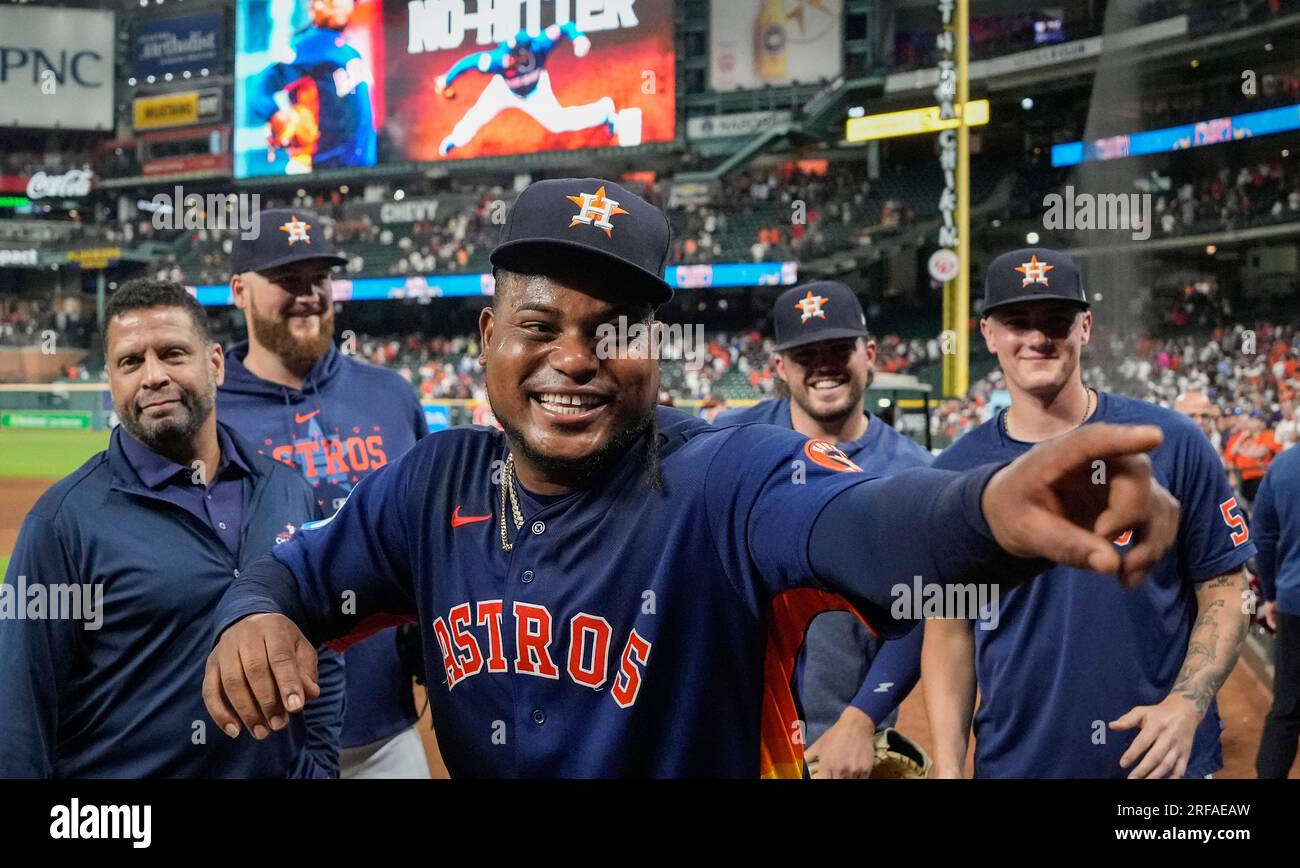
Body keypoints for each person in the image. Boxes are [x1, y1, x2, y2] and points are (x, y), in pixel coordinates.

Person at [202, 181, 1179, 778]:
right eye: (540, 324)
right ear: (487, 339)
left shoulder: (725, 474)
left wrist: (988, 507)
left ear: (657, 350)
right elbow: (296, 572)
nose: (576, 357)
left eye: (615, 328)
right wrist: (256, 607)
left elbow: (873, 521)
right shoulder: (431, 481)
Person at [923, 248, 1255, 779]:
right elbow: (948, 630)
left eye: (1056, 320)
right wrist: (945, 768)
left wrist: (1187, 705)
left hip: (1162, 769)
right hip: (1018, 763)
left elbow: (1226, 588)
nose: (1037, 337)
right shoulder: (953, 472)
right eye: (1016, 321)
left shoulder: (1171, 441)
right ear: (987, 332)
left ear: (1085, 327)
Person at [0, 279, 343, 777]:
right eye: (130, 362)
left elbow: (324, 646)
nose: (153, 376)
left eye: (173, 353)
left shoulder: (288, 490)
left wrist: (318, 767)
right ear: (112, 381)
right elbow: (19, 712)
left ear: (216, 364)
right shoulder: (61, 522)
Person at [217, 208, 431, 779]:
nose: (309, 295)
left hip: (387, 728)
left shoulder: (390, 395)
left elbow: (430, 533)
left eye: (319, 278)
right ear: (239, 289)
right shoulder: (209, 413)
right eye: (288, 280)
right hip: (259, 740)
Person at [714, 280, 931, 778]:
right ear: (780, 368)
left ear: (870, 354)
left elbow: (921, 614)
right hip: (733, 729)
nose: (824, 364)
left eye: (839, 348)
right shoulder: (729, 443)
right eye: (806, 352)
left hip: (839, 743)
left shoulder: (912, 473)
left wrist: (862, 718)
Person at [250, 0, 378, 173]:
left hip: (362, 169)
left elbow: (342, 7)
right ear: (313, 6)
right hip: (325, 170)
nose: (334, 1)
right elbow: (259, 85)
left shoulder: (342, 43)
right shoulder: (307, 44)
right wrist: (274, 113)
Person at [434, 24, 626, 156]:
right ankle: (455, 139)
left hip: (536, 90)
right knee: (477, 114)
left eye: (514, 55)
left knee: (558, 123)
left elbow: (565, 26)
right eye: (508, 54)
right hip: (504, 90)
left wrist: (579, 38)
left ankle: (604, 111)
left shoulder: (540, 45)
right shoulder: (497, 60)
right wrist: (447, 79)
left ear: (526, 52)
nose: (509, 58)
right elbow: (469, 63)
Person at [1252, 444, 1300, 777]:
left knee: (1286, 707)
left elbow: (1263, 537)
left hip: (1293, 598)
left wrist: (1270, 594)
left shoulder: (1283, 465)